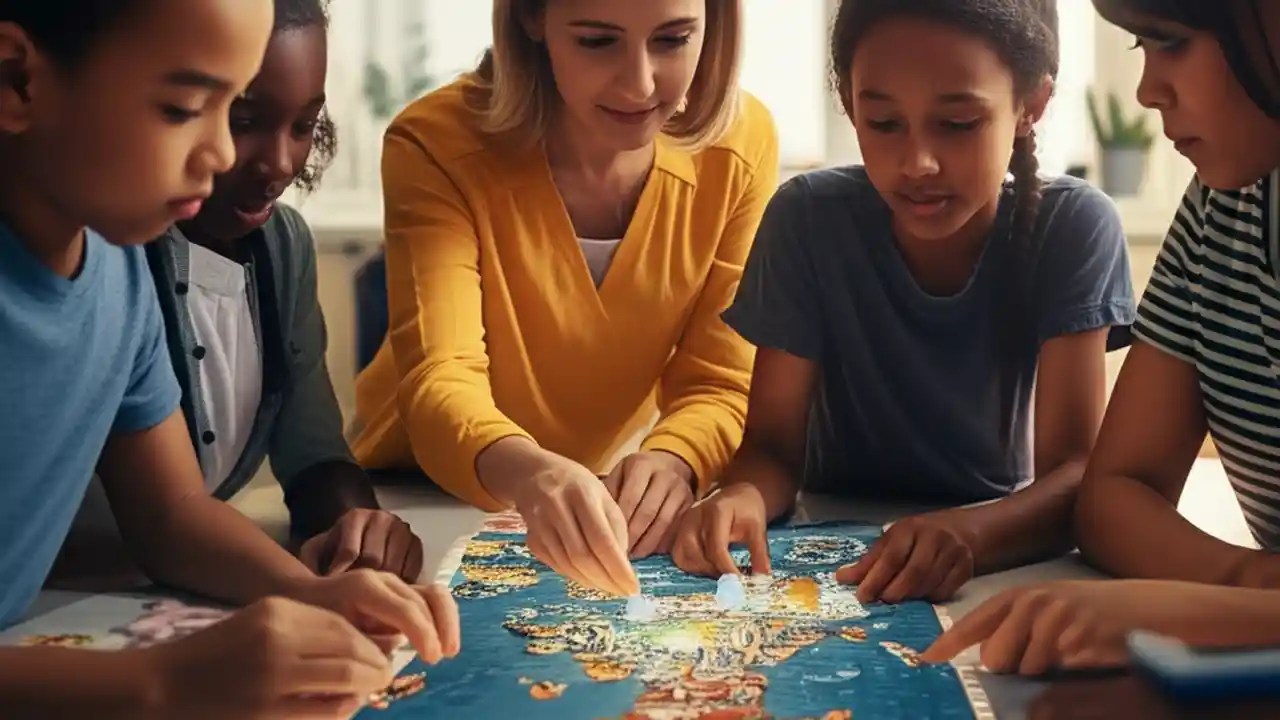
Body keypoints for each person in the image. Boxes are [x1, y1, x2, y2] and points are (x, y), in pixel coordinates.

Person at [0, 1, 458, 716]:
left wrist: (312, 592)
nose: (221, 156)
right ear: (17, 79)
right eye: (187, 108)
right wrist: (160, 682)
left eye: (230, 110)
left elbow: (173, 512)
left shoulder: (117, 272)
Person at [672, 0, 1135, 606]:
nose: (918, 163)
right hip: (825, 549)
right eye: (884, 124)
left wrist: (967, 535)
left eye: (958, 123)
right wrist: (740, 497)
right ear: (849, 104)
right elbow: (772, 449)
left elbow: (1075, 475)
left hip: (997, 544)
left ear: (1032, 105)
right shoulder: (807, 218)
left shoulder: (1073, 225)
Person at [350, 0, 779, 596]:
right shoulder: (434, 143)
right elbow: (440, 377)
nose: (641, 83)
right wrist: (529, 473)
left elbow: (720, 380)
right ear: (531, 18)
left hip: (575, 490)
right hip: (413, 493)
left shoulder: (743, 143)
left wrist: (675, 458)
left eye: (674, 39)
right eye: (598, 42)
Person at [924, 0, 1280, 676]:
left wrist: (1190, 612)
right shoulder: (1220, 211)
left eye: (1171, 43)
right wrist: (1248, 586)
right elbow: (1115, 498)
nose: (1147, 90)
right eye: (1140, 50)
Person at [54, 0, 425, 587]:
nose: (277, 163)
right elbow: (166, 519)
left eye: (304, 125)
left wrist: (355, 528)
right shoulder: (109, 252)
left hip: (158, 601)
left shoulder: (282, 247)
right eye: (239, 119)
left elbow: (303, 458)